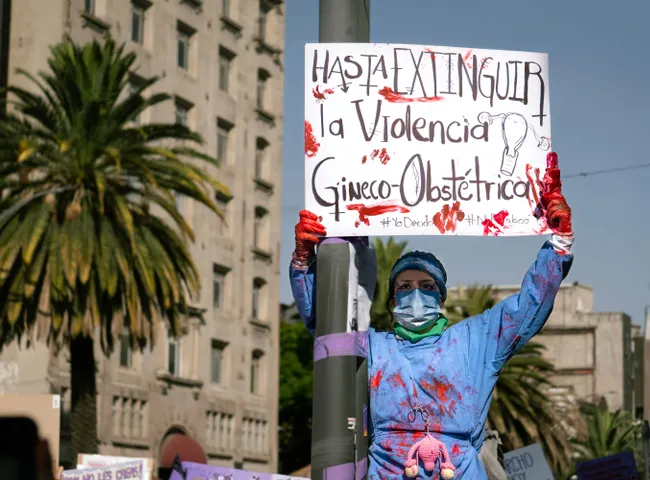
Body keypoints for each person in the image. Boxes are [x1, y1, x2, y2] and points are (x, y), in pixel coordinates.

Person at [289, 152, 573, 479]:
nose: (416, 293)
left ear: (440, 295)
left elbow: (529, 305)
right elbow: (325, 327)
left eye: (426, 285)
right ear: (393, 298)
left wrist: (559, 244)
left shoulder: (475, 341)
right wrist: (304, 261)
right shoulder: (375, 348)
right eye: (405, 286)